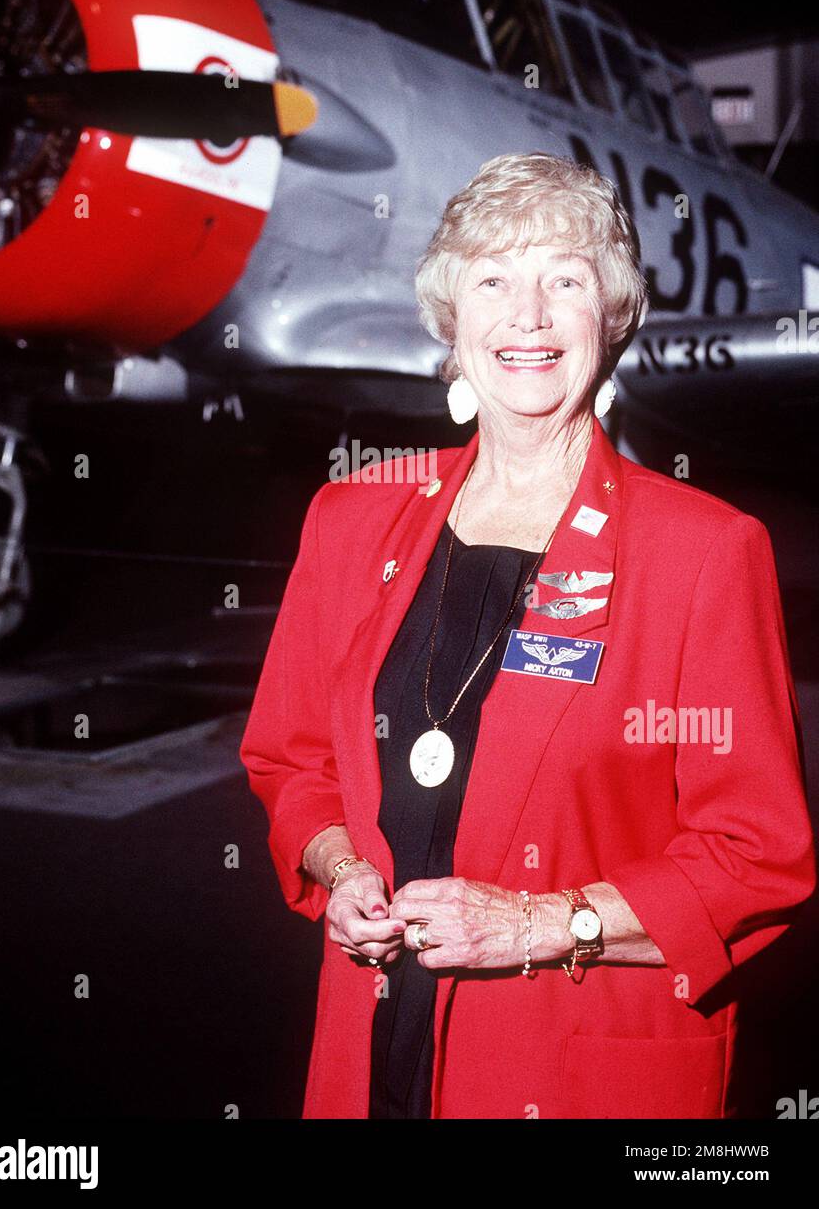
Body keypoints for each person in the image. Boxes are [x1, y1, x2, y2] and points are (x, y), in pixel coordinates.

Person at [239, 152, 815, 1119]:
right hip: (372, 1045)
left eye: (566, 279)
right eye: (494, 281)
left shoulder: (707, 551)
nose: (530, 317)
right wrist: (338, 870)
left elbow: (759, 856)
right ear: (450, 320)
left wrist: (542, 924)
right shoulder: (349, 518)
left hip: (575, 1065)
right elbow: (292, 762)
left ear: (614, 314)